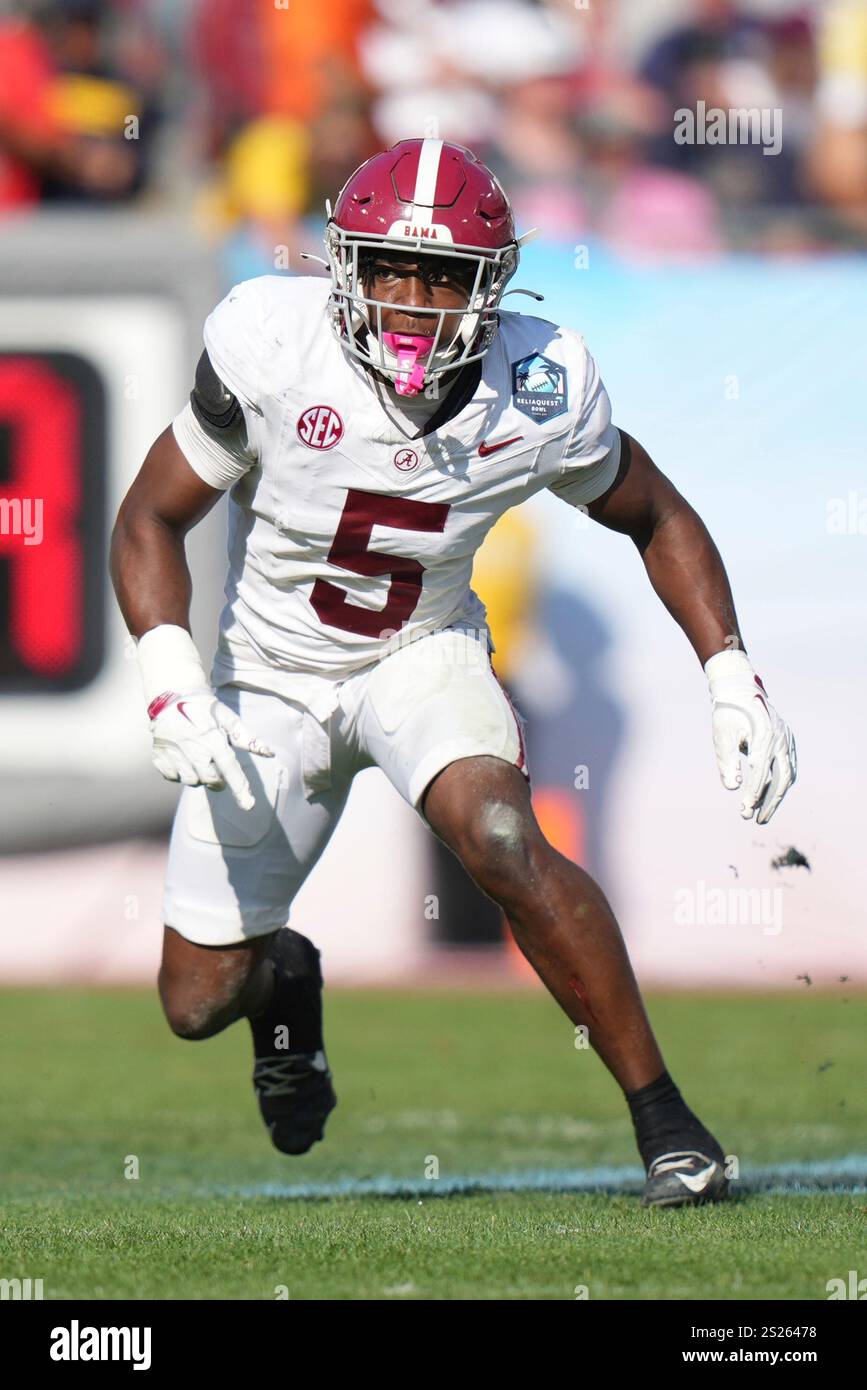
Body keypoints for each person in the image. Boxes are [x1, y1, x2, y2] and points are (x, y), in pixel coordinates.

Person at [110, 138, 796, 1208]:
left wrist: (731, 672)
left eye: (441, 276)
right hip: (270, 673)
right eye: (388, 267)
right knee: (197, 1002)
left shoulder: (538, 383)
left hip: (419, 653)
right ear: (344, 265)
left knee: (505, 834)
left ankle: (667, 1121)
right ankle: (287, 975)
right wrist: (167, 672)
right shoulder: (268, 340)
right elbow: (151, 515)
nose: (412, 299)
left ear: (494, 285)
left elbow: (655, 513)